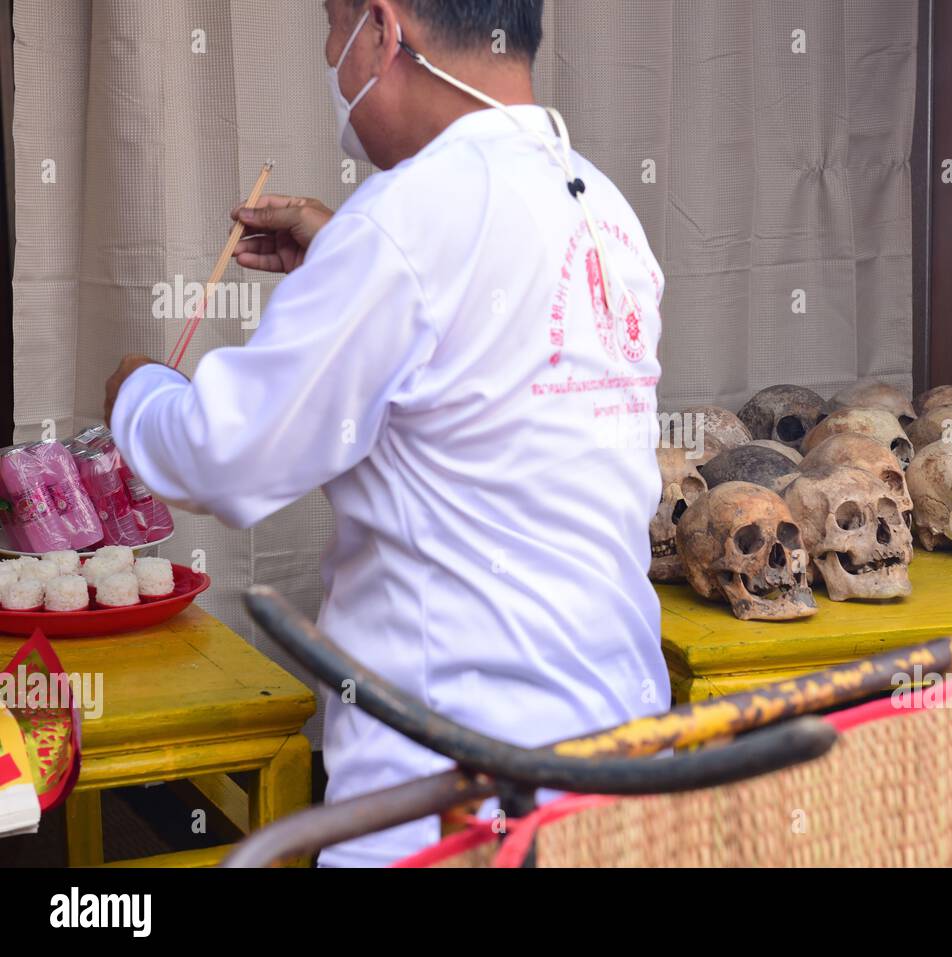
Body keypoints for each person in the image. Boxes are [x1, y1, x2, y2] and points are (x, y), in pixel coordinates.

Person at [102, 0, 669, 867]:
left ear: (382, 29)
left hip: (447, 809)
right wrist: (344, 262)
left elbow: (222, 454)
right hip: (618, 783)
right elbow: (481, 368)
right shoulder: (605, 208)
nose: (329, 56)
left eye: (331, 29)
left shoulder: (403, 220)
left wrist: (133, 388)